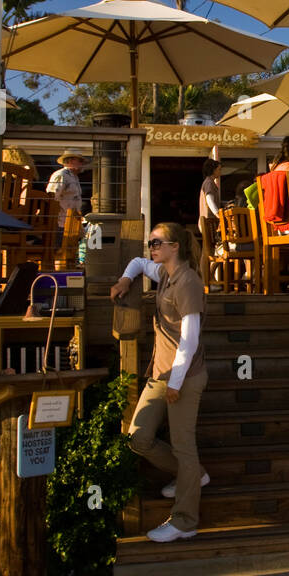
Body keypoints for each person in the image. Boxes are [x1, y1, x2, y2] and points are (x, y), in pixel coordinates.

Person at [109, 222, 210, 542]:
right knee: (138, 437)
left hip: (184, 377)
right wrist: (126, 278)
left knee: (184, 448)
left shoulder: (188, 283)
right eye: (150, 242)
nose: (151, 247)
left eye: (157, 242)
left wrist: (176, 384)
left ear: (175, 246)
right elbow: (138, 264)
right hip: (159, 373)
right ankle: (191, 477)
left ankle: (184, 520)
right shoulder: (166, 273)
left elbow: (190, 340)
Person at [47, 150, 90, 228]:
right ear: (71, 161)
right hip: (60, 223)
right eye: (80, 161)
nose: (82, 164)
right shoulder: (61, 175)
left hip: (70, 223)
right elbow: (52, 197)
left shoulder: (74, 177)